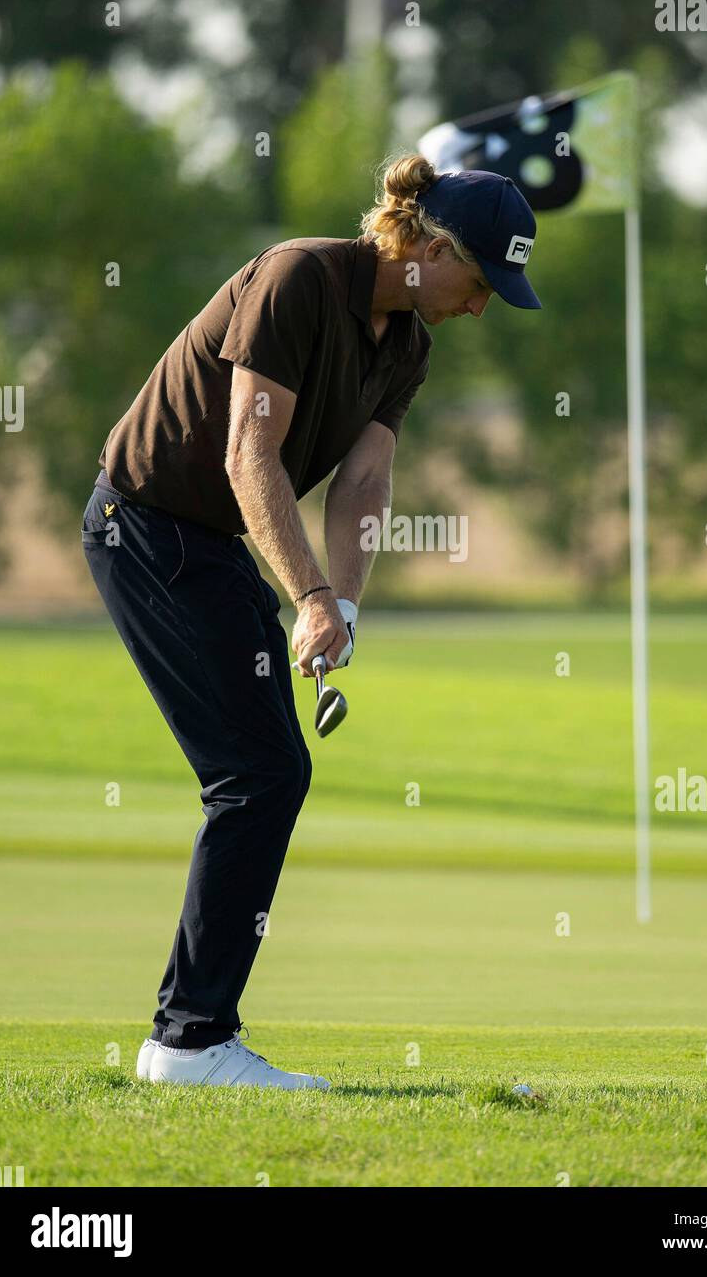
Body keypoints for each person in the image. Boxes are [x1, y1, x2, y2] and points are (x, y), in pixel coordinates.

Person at [81, 154, 541, 1089]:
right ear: (430, 247)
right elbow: (251, 454)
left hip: (212, 544)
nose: (482, 306)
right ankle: (190, 1045)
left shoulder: (408, 343)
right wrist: (308, 598)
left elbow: (365, 480)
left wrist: (348, 601)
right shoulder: (298, 278)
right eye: (480, 280)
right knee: (259, 771)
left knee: (267, 771)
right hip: (150, 527)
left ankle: (192, 1038)